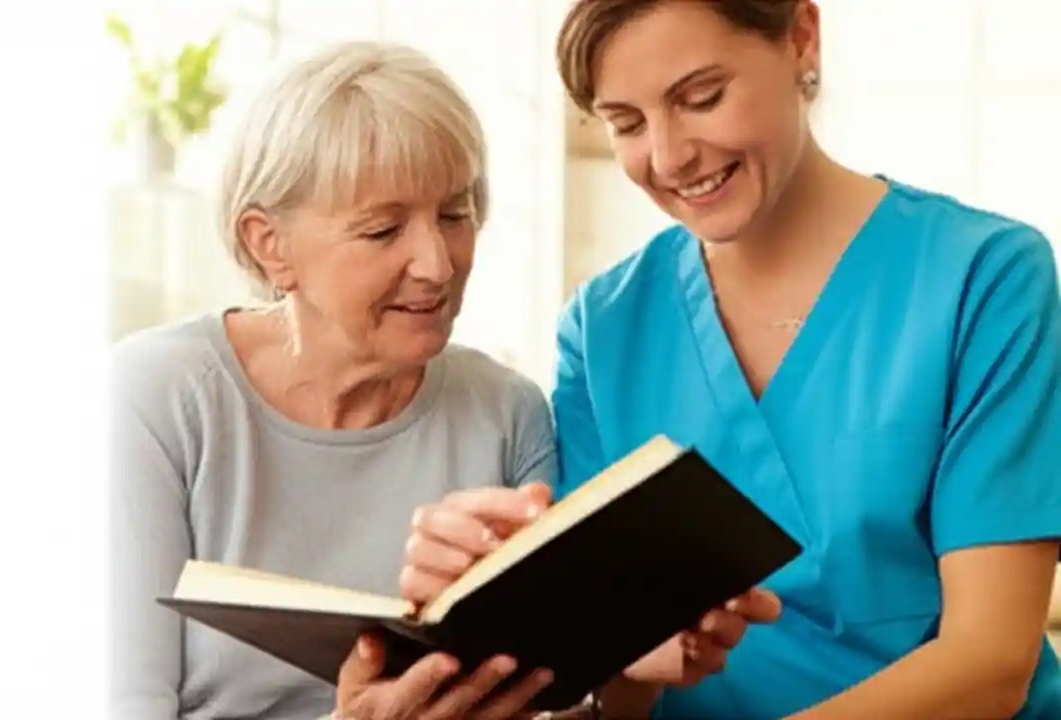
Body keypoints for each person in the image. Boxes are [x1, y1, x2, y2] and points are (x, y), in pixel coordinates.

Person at [402, 1, 1061, 718]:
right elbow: (618, 688)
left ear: (802, 38)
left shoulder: (984, 278)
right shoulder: (603, 328)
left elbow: (991, 663)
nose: (668, 156)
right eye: (626, 122)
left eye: (701, 98)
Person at [109, 40, 771, 720]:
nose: (436, 262)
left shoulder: (507, 411)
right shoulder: (156, 395)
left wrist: (629, 670)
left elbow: (568, 709)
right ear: (268, 244)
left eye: (455, 215)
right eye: (382, 229)